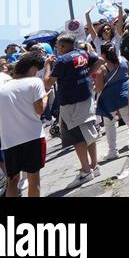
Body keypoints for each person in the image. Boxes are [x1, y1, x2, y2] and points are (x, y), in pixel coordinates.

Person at [46, 32, 101, 186]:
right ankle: (94, 166)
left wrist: (48, 65)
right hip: (85, 97)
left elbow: (47, 83)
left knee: (77, 137)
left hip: (71, 102)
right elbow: (99, 60)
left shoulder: (62, 60)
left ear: (62, 46)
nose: (56, 49)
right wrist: (87, 75)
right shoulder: (82, 53)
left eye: (57, 46)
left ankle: (85, 170)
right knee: (88, 132)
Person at [0, 53, 50, 197]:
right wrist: (46, 97)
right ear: (32, 69)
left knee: (12, 181)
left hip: (9, 142)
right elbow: (39, 110)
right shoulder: (34, 82)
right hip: (33, 137)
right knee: (33, 179)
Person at [94, 42, 129, 161]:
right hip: (126, 93)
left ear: (103, 54)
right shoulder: (123, 60)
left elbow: (99, 87)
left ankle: (112, 151)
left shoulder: (102, 68)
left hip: (110, 98)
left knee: (109, 124)